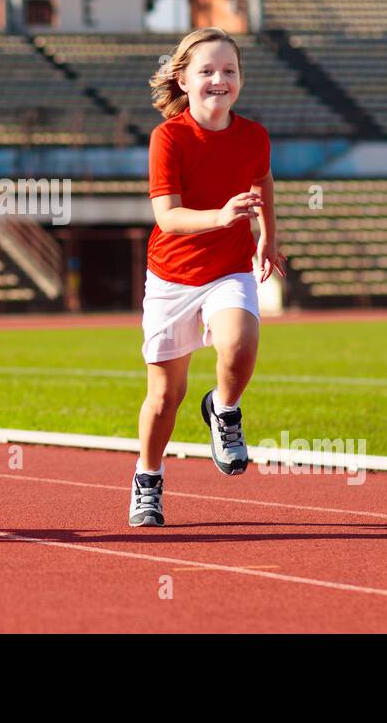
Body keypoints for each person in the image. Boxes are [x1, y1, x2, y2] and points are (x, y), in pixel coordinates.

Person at [130, 28, 285, 527]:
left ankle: (224, 407)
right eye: (208, 71)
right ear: (183, 78)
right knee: (165, 397)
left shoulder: (254, 135)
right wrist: (221, 216)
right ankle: (148, 479)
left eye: (230, 71)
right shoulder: (168, 138)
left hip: (228, 266)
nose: (220, 79)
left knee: (240, 345)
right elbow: (167, 217)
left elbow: (262, 181)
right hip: (172, 274)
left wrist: (268, 236)